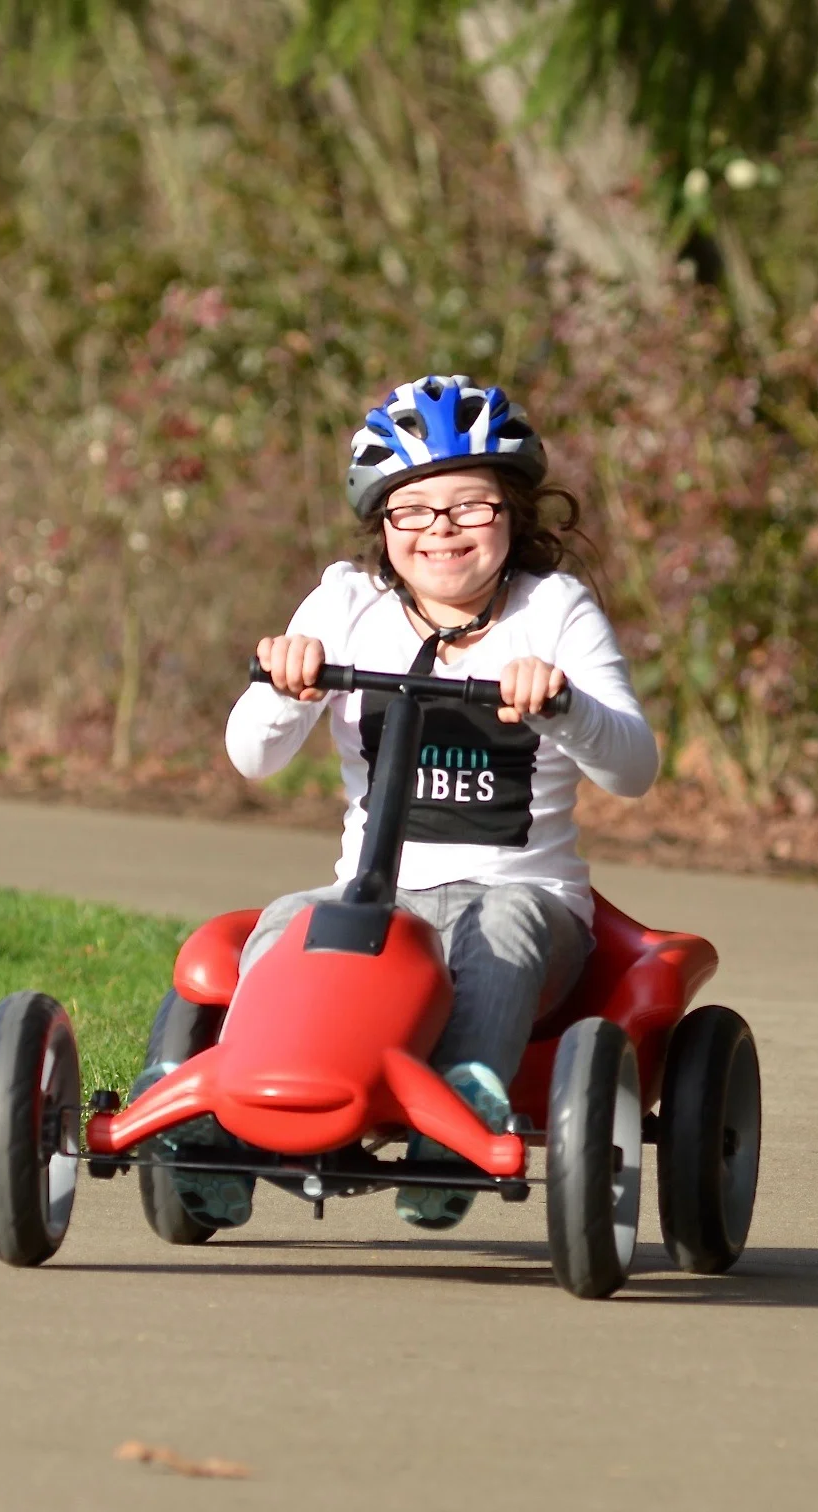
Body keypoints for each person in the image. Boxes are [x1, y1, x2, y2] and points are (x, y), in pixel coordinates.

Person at [178, 374, 659, 1232]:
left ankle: (460, 1118)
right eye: (415, 510)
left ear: (513, 513)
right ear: (382, 521)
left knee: (500, 925)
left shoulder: (554, 611)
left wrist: (564, 706)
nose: (442, 531)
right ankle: (228, 1118)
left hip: (527, 900)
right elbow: (252, 757)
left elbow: (634, 768)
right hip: (377, 899)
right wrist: (288, 684)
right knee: (288, 918)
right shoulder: (346, 603)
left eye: (471, 508)